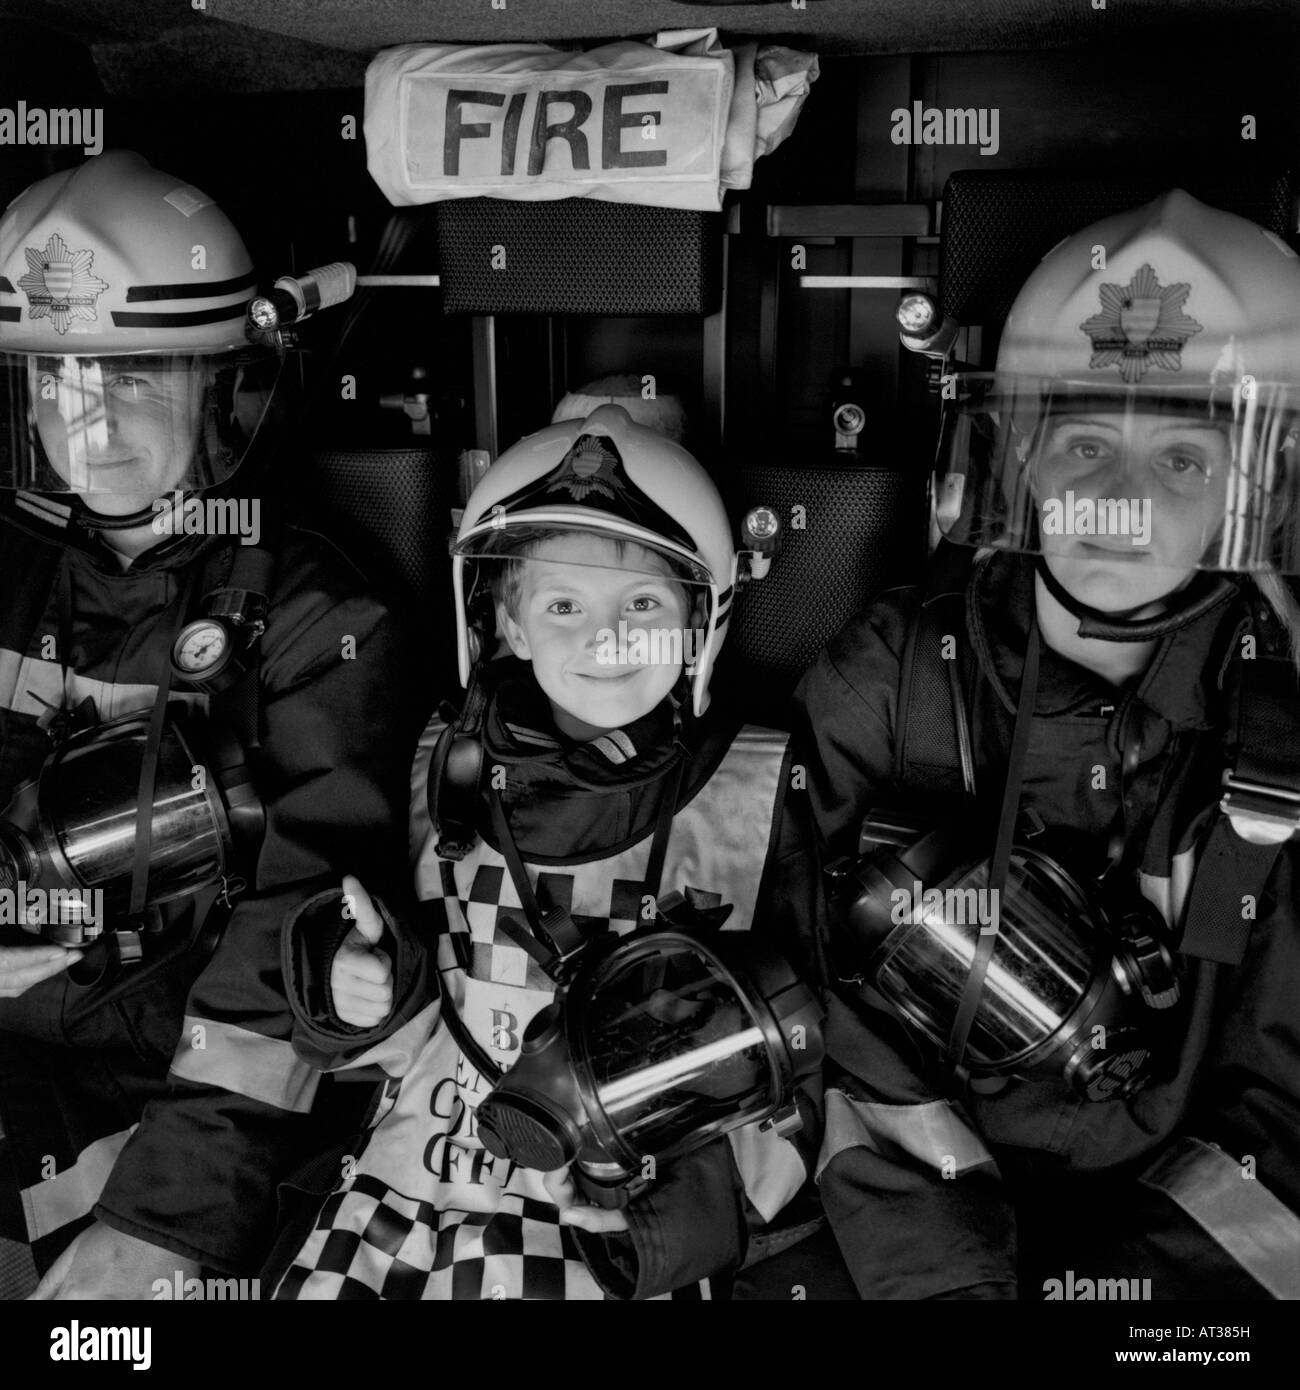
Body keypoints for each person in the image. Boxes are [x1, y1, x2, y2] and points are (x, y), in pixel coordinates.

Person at [795, 189, 1300, 1300]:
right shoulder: (884, 677)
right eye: (1080, 439)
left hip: (1190, 1259)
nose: (1112, 497)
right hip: (904, 1233)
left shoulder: (1283, 732)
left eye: (1179, 460)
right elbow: (836, 1025)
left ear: (1251, 494)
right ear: (1014, 456)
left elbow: (1283, 1100)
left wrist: (1111, 1302)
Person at [267, 403, 832, 1299]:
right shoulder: (434, 764)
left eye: (641, 603)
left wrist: (671, 1224)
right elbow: (413, 1022)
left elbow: (803, 1059)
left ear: (701, 619)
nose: (603, 638)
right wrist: (357, 983)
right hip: (405, 1186)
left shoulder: (760, 787)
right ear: (509, 624)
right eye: (563, 603)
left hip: (608, 1215)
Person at [0, 150, 424, 1298]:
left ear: (224, 390)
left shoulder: (321, 617)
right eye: (54, 380)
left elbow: (296, 929)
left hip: (171, 1121)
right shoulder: (7, 573)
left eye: (131, 381)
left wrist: (159, 1227)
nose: (86, 421)